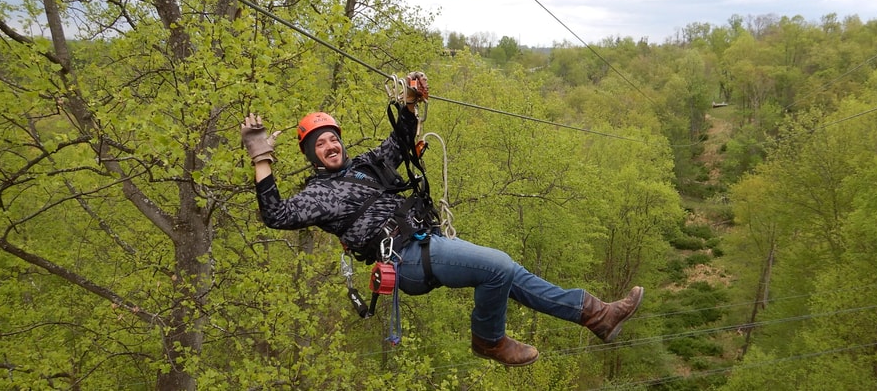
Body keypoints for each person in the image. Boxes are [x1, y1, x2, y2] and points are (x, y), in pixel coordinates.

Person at [240, 71, 643, 367]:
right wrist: (261, 159)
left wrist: (410, 103)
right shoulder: (319, 194)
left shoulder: (366, 165)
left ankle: (595, 315)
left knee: (510, 273)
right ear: (311, 156)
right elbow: (276, 214)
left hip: (423, 240)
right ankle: (488, 339)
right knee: (498, 268)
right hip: (405, 259)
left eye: (332, 138)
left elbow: (400, 142)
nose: (329, 145)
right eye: (319, 144)